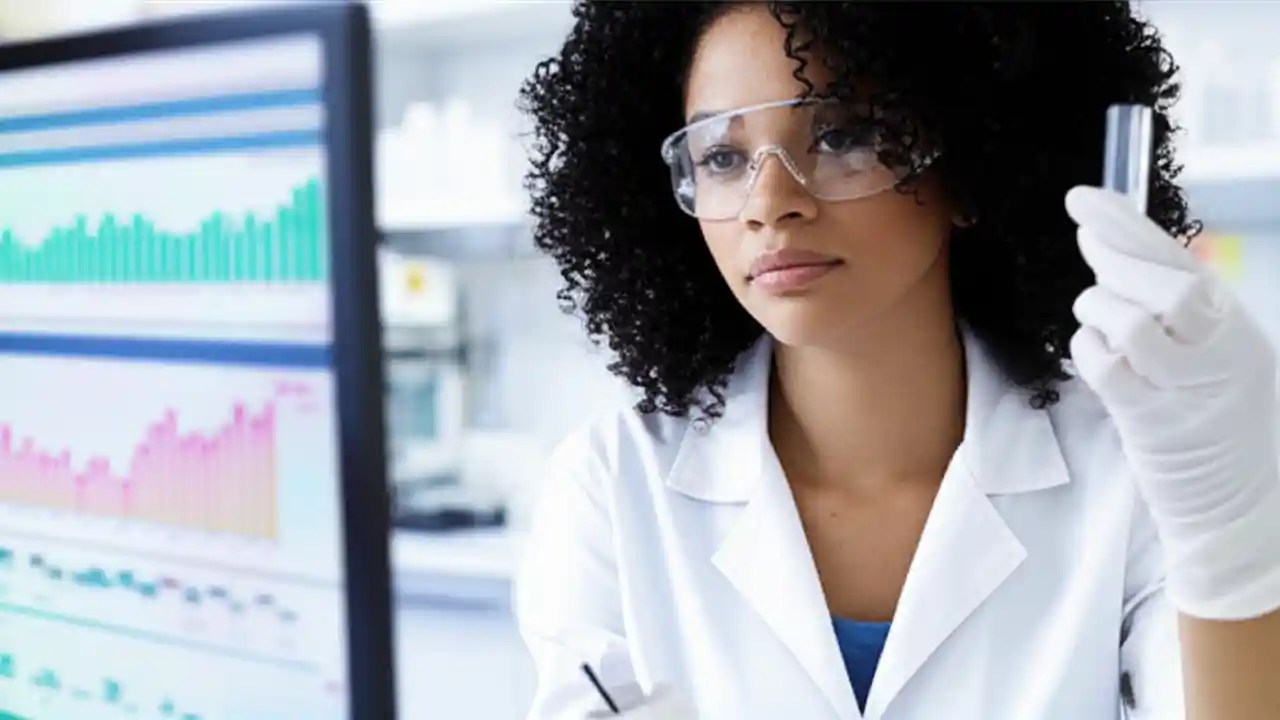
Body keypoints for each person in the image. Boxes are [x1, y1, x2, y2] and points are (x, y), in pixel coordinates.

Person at [512, 3, 1280, 719]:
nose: (769, 202)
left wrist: (1230, 546)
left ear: (969, 164)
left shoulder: (1133, 473)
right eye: (721, 156)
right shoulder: (614, 484)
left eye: (841, 136)